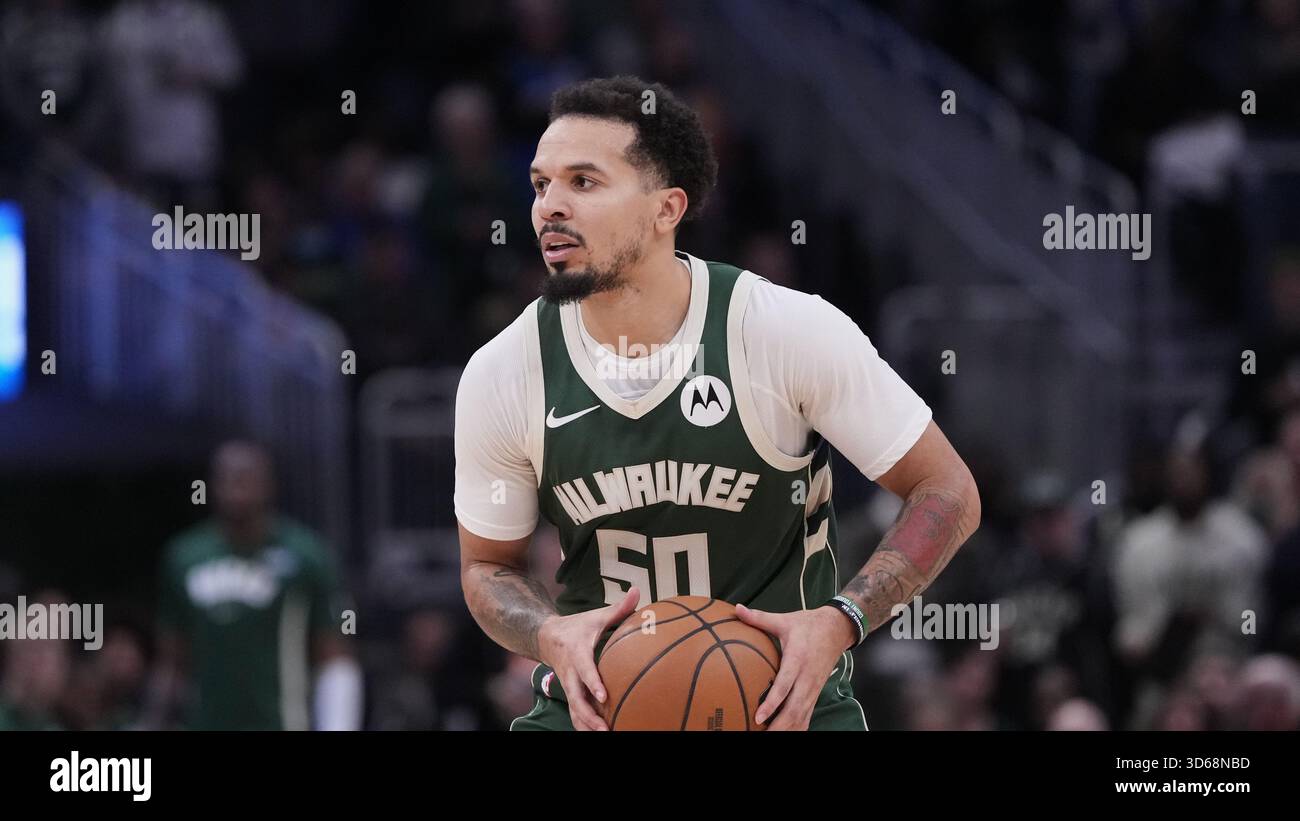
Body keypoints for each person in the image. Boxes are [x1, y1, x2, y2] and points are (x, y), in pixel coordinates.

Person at [454, 76, 980, 731]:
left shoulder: (781, 330)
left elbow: (947, 488)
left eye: (583, 182)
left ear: (665, 208)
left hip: (781, 704)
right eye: (540, 184)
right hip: (600, 705)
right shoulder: (504, 371)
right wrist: (547, 634)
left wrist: (842, 619)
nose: (548, 207)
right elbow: (487, 566)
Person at [144, 440, 361, 730]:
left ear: (269, 485)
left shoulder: (307, 556)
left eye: (246, 479)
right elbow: (171, 660)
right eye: (228, 479)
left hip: (282, 723)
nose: (237, 490)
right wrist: (152, 721)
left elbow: (335, 658)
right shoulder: (184, 558)